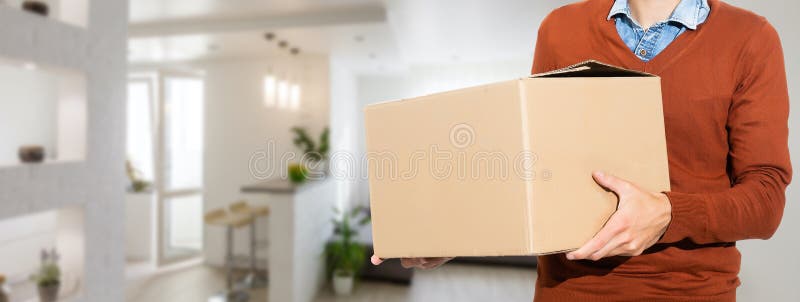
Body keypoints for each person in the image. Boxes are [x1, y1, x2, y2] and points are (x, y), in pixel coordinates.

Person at [371, 0, 791, 300]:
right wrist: (458, 231)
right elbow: (538, 170)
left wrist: (668, 214)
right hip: (569, 291)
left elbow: (766, 199)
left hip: (689, 292)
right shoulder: (560, 28)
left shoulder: (750, 38)